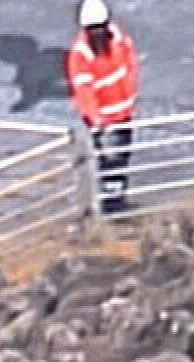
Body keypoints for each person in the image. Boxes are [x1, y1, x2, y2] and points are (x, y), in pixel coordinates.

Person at [67, 0, 139, 215]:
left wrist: (131, 95)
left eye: (100, 27)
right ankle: (110, 207)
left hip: (124, 114)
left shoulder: (117, 38)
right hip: (103, 122)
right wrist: (96, 120)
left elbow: (129, 62)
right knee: (107, 165)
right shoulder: (81, 54)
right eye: (93, 29)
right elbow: (84, 90)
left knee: (122, 160)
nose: (98, 33)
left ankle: (118, 201)